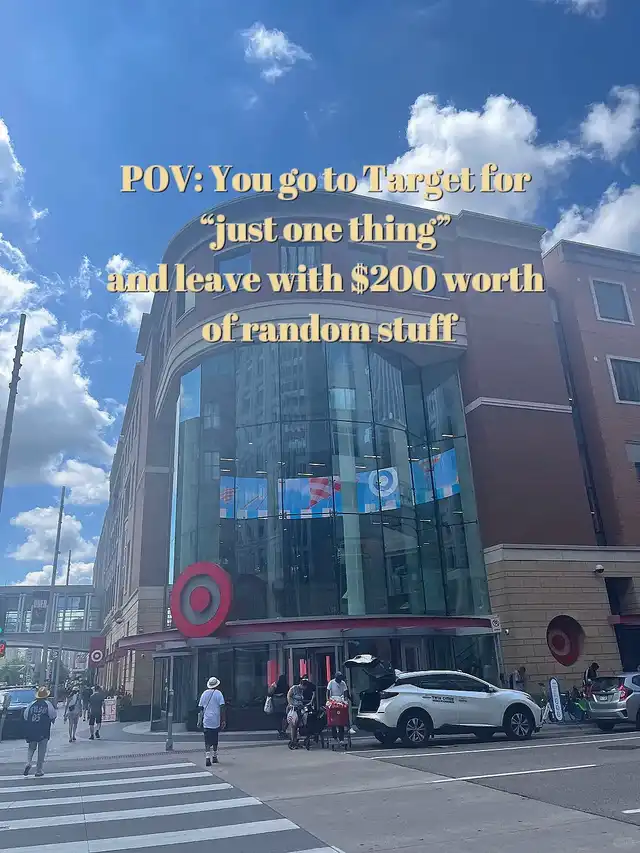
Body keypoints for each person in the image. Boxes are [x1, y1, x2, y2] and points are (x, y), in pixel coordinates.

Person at [23, 686, 57, 777]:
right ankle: (39, 770)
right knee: (41, 750)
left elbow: (25, 716)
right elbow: (53, 715)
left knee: (31, 748)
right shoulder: (48, 704)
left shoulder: (31, 704)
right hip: (43, 730)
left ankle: (28, 762)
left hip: (31, 729)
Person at [198, 676, 226, 766]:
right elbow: (222, 707)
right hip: (215, 720)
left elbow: (201, 708)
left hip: (206, 720)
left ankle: (207, 757)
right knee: (215, 738)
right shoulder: (219, 694)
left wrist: (199, 720)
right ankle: (214, 756)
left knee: (207, 739)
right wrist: (223, 720)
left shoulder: (204, 694)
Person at [326, 671, 350, 743]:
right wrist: (328, 700)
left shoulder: (343, 683)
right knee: (333, 720)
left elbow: (345, 692)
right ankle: (334, 735)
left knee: (341, 720)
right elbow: (328, 692)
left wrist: (345, 700)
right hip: (333, 700)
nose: (340, 680)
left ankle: (341, 738)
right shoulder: (331, 682)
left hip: (341, 700)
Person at [286, 677, 307, 749]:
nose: (305, 688)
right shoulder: (294, 688)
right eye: (304, 686)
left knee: (297, 726)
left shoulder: (301, 691)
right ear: (302, 685)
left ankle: (295, 740)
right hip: (293, 709)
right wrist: (290, 704)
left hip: (299, 709)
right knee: (293, 726)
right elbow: (289, 696)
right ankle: (293, 741)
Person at [267, 674, 289, 739]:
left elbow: (270, 694)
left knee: (278, 719)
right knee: (285, 718)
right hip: (284, 705)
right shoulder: (286, 686)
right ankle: (283, 731)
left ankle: (280, 732)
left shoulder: (276, 686)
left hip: (276, 705)